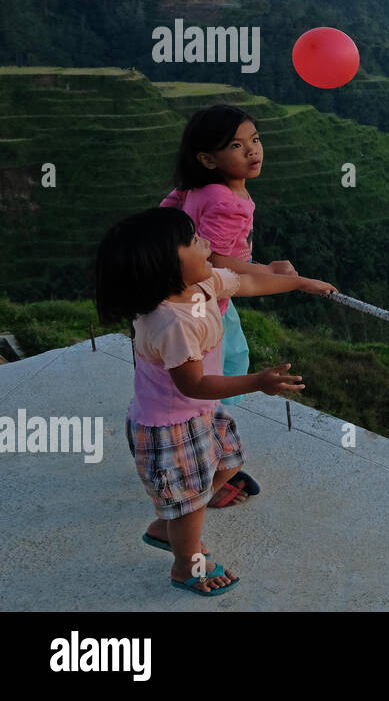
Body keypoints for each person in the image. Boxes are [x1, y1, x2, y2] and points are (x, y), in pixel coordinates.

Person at [94, 207, 337, 596]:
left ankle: (165, 528)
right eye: (193, 241)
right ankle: (185, 565)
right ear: (164, 266)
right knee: (190, 503)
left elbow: (245, 283)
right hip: (169, 426)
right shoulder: (170, 322)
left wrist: (300, 283)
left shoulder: (199, 287)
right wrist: (258, 382)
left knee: (228, 462)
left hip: (199, 414)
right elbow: (193, 383)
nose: (205, 243)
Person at [160, 104, 295, 507]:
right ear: (207, 158)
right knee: (216, 372)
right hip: (208, 300)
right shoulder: (228, 201)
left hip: (179, 293)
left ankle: (208, 448)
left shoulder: (193, 188)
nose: (252, 151)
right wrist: (268, 269)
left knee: (207, 366)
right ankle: (208, 468)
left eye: (254, 140)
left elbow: (164, 219)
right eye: (236, 145)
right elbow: (217, 259)